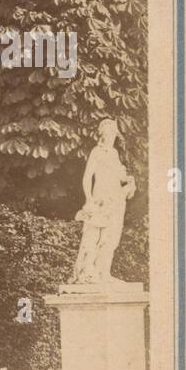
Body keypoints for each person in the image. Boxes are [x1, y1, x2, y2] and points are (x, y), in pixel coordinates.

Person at [70, 118, 136, 284]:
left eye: (113, 132)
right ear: (102, 134)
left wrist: (129, 179)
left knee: (111, 236)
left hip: (115, 199)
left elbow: (119, 176)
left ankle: (104, 272)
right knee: (93, 235)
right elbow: (87, 177)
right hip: (100, 199)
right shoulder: (96, 152)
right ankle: (88, 272)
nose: (111, 135)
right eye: (108, 132)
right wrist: (89, 199)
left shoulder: (114, 153)